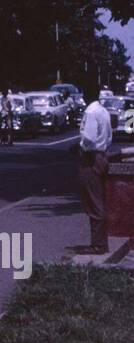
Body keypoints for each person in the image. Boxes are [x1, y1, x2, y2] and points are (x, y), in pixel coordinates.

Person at [78, 93, 113, 253]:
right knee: (98, 197)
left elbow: (89, 138)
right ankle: (99, 242)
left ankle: (98, 244)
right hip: (102, 155)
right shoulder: (103, 110)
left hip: (90, 157)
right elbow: (109, 138)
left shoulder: (90, 112)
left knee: (93, 200)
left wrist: (80, 145)